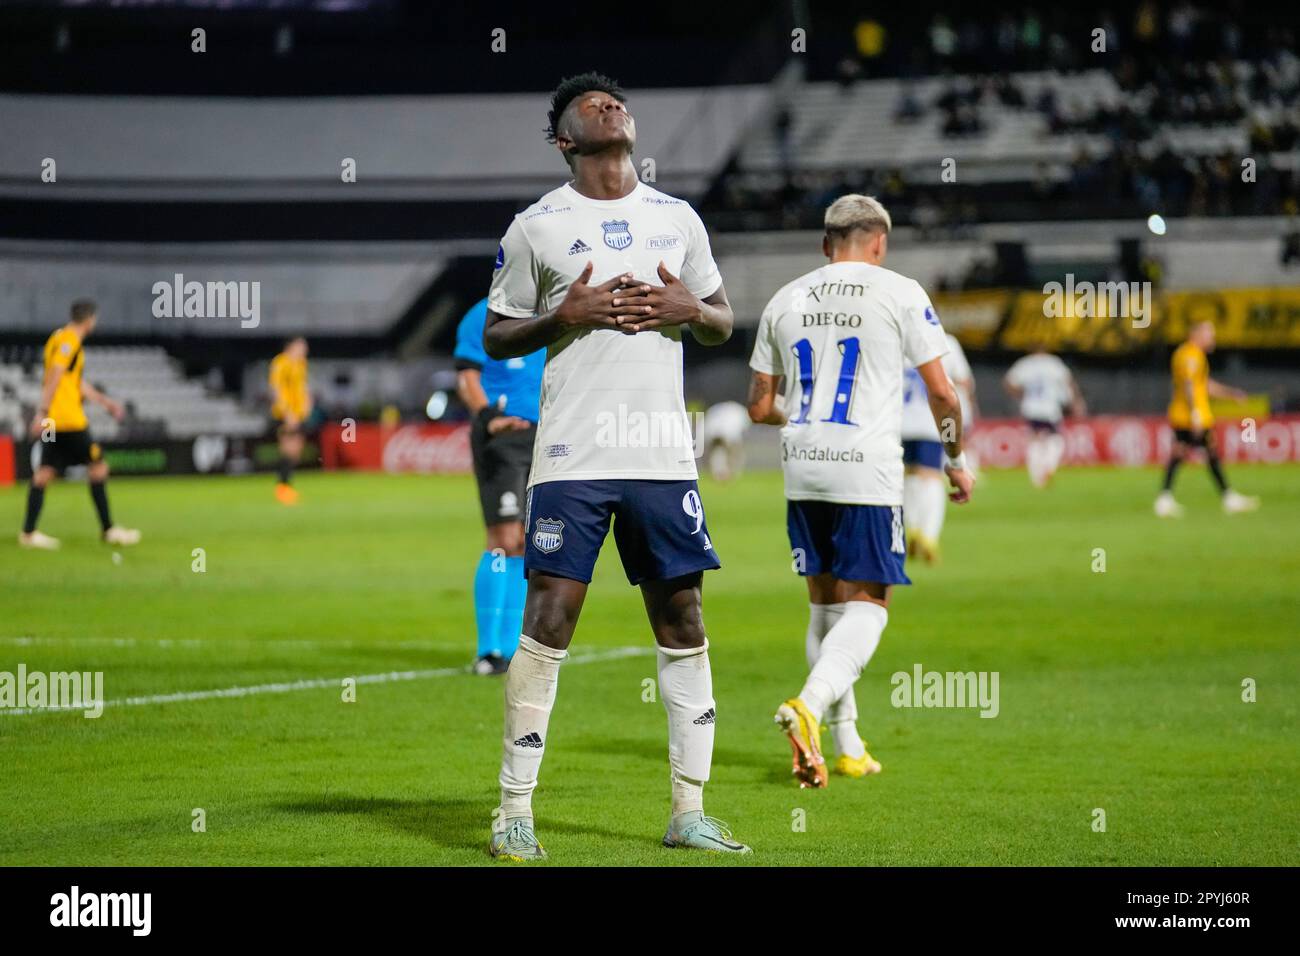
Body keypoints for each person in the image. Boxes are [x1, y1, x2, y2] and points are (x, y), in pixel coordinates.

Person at [482, 72, 749, 859]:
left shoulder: (677, 219)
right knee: (550, 619)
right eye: (590, 104)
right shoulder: (538, 227)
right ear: (565, 139)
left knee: (685, 621)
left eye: (616, 100)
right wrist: (560, 316)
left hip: (663, 457)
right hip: (574, 456)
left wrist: (690, 311)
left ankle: (688, 811)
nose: (610, 105)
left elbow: (722, 321)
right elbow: (497, 334)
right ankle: (512, 814)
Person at [747, 195, 975, 788]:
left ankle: (847, 745)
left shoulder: (785, 298)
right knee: (870, 606)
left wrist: (801, 416)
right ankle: (810, 706)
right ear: (879, 243)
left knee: (824, 604)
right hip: (865, 471)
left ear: (827, 245)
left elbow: (759, 405)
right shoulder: (899, 292)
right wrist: (956, 459)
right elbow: (944, 396)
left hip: (803, 468)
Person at [453, 295, 545, 675]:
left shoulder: (551, 312)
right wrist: (489, 417)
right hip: (502, 437)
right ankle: (488, 650)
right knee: (503, 540)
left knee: (528, 541)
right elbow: (466, 377)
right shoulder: (482, 315)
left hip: (545, 436)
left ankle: (512, 649)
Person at [19, 299, 140, 550]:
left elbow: (72, 382)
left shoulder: (57, 337)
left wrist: (105, 402)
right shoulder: (70, 341)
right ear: (90, 319)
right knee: (98, 466)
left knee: (44, 473)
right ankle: (108, 529)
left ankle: (28, 533)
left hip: (54, 421)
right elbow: (55, 373)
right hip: (68, 421)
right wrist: (42, 411)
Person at [1155, 321, 1259, 517]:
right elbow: (1188, 385)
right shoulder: (1191, 355)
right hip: (1189, 416)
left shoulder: (1191, 355)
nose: (1213, 338)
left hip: (1189, 415)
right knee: (1203, 453)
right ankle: (1227, 497)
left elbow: (1204, 386)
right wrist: (1194, 413)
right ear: (1196, 334)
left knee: (1185, 453)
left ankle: (1165, 498)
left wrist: (1231, 394)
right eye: (1209, 334)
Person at [900, 332, 975, 562]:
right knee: (931, 476)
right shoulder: (947, 341)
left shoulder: (899, 339)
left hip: (901, 420)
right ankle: (929, 534)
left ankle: (912, 526)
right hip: (931, 421)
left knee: (910, 474)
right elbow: (963, 382)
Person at [1002, 347, 1084, 487]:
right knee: (1055, 439)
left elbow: (1008, 382)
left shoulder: (1025, 363)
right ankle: (1049, 466)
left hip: (1031, 408)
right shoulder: (1054, 363)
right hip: (1049, 409)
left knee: (1034, 441)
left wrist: (1022, 395)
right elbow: (1068, 381)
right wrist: (1076, 401)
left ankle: (1036, 477)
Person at [268, 337, 311, 505]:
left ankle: (286, 485)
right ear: (291, 346)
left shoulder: (300, 364)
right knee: (288, 448)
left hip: (298, 413)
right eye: (301, 346)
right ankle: (282, 487)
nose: (304, 350)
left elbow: (302, 387)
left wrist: (307, 403)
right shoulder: (281, 362)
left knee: (295, 451)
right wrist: (287, 412)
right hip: (285, 414)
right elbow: (276, 388)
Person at [699, 400, 751, 482]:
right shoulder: (740, 411)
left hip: (711, 431)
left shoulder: (715, 409)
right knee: (733, 454)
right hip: (729, 432)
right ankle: (726, 473)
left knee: (717, 452)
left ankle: (719, 473)